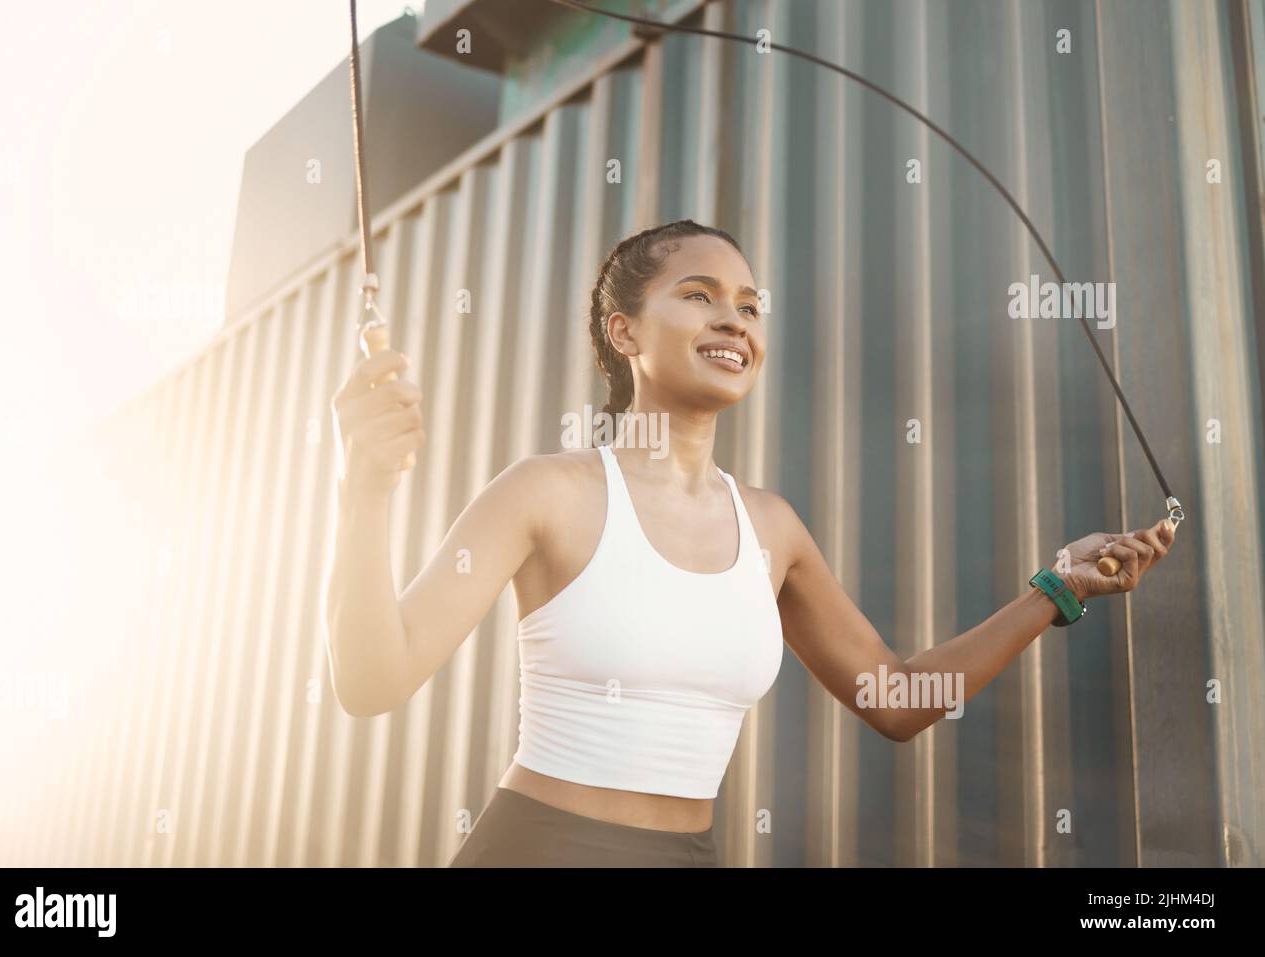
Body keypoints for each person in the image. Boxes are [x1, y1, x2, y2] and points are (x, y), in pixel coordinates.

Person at [325, 219, 1177, 867]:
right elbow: (372, 680)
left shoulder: (772, 528)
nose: (734, 320)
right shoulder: (546, 491)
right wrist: (363, 490)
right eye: (698, 295)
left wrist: (1055, 588)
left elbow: (898, 700)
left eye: (748, 305)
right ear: (625, 334)